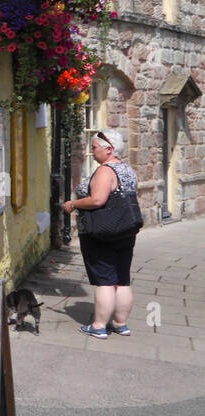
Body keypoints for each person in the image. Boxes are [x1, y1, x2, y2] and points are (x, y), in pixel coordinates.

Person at [62, 129, 138, 339]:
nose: (92, 150)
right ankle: (120, 324)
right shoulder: (127, 170)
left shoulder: (105, 171)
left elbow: (97, 200)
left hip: (102, 232)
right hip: (126, 230)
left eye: (95, 147)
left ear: (109, 149)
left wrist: (73, 204)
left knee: (104, 279)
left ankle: (99, 326)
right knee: (122, 278)